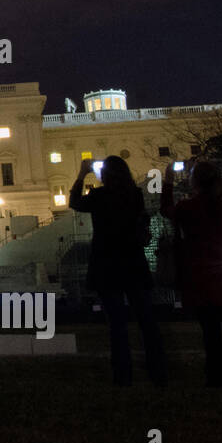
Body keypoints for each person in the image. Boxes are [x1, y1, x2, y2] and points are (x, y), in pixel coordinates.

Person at [70, 156, 167, 387]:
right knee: (146, 321)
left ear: (105, 175)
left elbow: (74, 202)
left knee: (117, 324)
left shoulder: (99, 197)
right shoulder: (135, 195)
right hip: (132, 261)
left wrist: (83, 174)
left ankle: (123, 375)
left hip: (107, 264)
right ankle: (157, 372)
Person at [162, 159, 222, 387]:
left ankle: (217, 375)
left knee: (210, 330)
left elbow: (166, 210)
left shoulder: (188, 207)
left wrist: (168, 181)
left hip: (199, 268)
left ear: (194, 181)